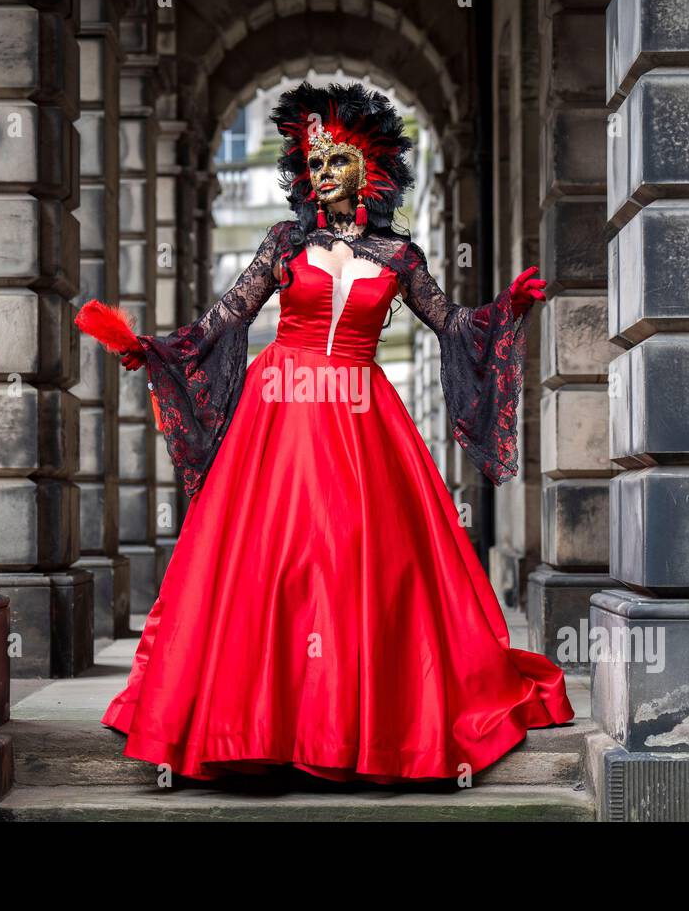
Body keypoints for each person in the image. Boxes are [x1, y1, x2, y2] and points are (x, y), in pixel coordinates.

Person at [75, 81, 573, 784]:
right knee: (272, 561)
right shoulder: (284, 244)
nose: (323, 175)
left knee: (357, 559)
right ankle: (249, 726)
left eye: (335, 161)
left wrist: (508, 309)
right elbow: (224, 321)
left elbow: (454, 327)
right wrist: (151, 349)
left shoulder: (401, 258)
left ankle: (351, 730)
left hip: (362, 412)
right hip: (280, 411)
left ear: (370, 169)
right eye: (313, 165)